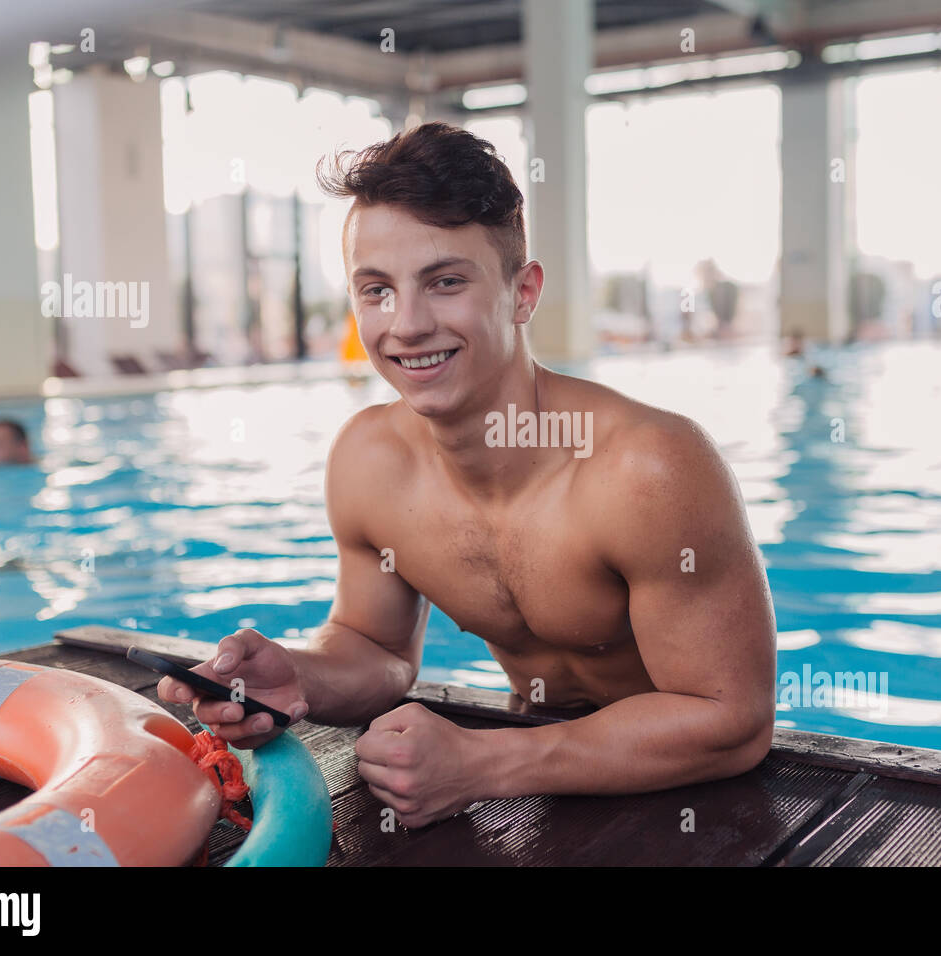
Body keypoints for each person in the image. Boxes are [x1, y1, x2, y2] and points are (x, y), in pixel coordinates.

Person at [158, 122, 777, 828]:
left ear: (522, 293)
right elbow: (379, 650)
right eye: (377, 290)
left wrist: (485, 765)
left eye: (445, 282)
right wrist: (300, 677)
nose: (407, 324)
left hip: (700, 801)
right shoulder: (368, 462)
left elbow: (732, 720)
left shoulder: (648, 468)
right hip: (538, 776)